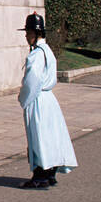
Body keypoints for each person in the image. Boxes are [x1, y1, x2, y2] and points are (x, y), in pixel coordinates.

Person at [18, 12, 77, 189]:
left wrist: (23, 98)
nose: (26, 36)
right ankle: (50, 172)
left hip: (38, 99)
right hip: (48, 99)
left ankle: (40, 175)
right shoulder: (48, 51)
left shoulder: (36, 54)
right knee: (50, 136)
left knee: (39, 136)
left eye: (28, 32)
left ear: (35, 34)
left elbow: (32, 81)